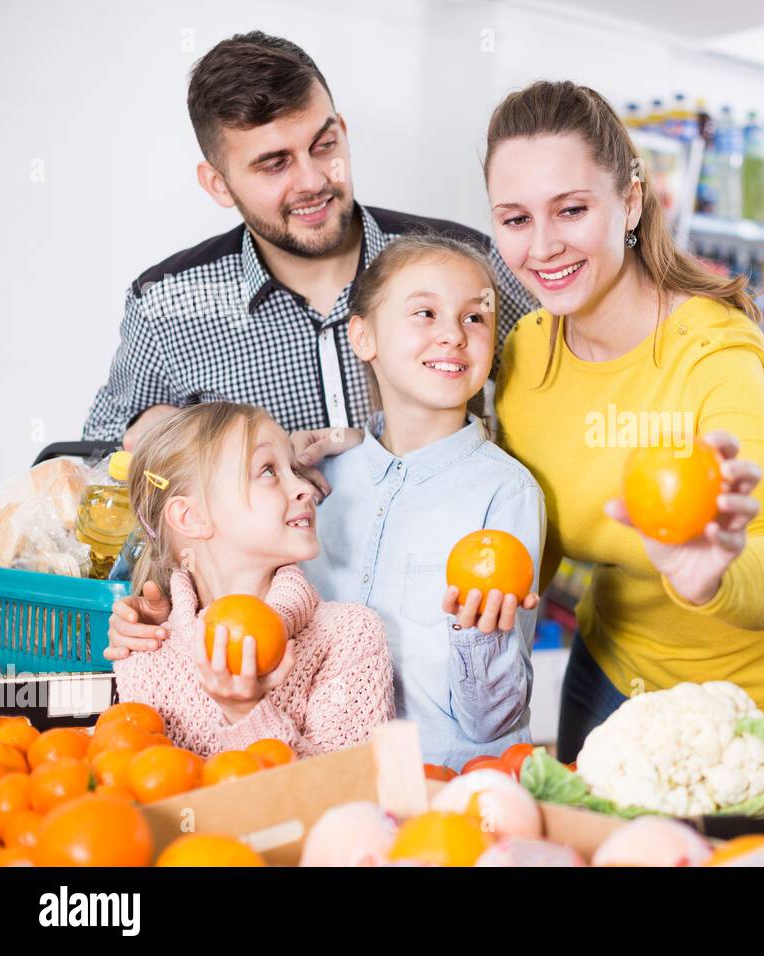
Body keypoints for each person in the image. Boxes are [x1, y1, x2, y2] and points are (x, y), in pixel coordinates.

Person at [483, 81, 764, 761]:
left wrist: (715, 574)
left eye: (572, 209)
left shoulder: (715, 351)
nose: (544, 246)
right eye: (516, 219)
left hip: (757, 701)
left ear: (631, 203)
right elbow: (529, 528)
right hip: (611, 677)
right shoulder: (523, 350)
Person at [110, 235, 545, 769]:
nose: (453, 334)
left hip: (451, 783)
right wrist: (160, 617)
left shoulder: (507, 493)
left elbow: (491, 721)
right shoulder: (320, 482)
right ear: (363, 337)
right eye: (425, 313)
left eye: (476, 318)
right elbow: (248, 592)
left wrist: (482, 637)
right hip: (315, 784)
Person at [83, 31, 536, 456]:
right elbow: (96, 460)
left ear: (342, 130)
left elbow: (563, 384)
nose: (314, 180)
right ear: (218, 184)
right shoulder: (165, 303)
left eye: (324, 145)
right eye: (274, 164)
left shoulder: (467, 262)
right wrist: (187, 442)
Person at [112, 402, 395, 758]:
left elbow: (352, 794)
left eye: (294, 468)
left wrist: (247, 715)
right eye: (268, 471)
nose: (304, 488)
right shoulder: (144, 652)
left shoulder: (351, 636)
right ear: (191, 517)